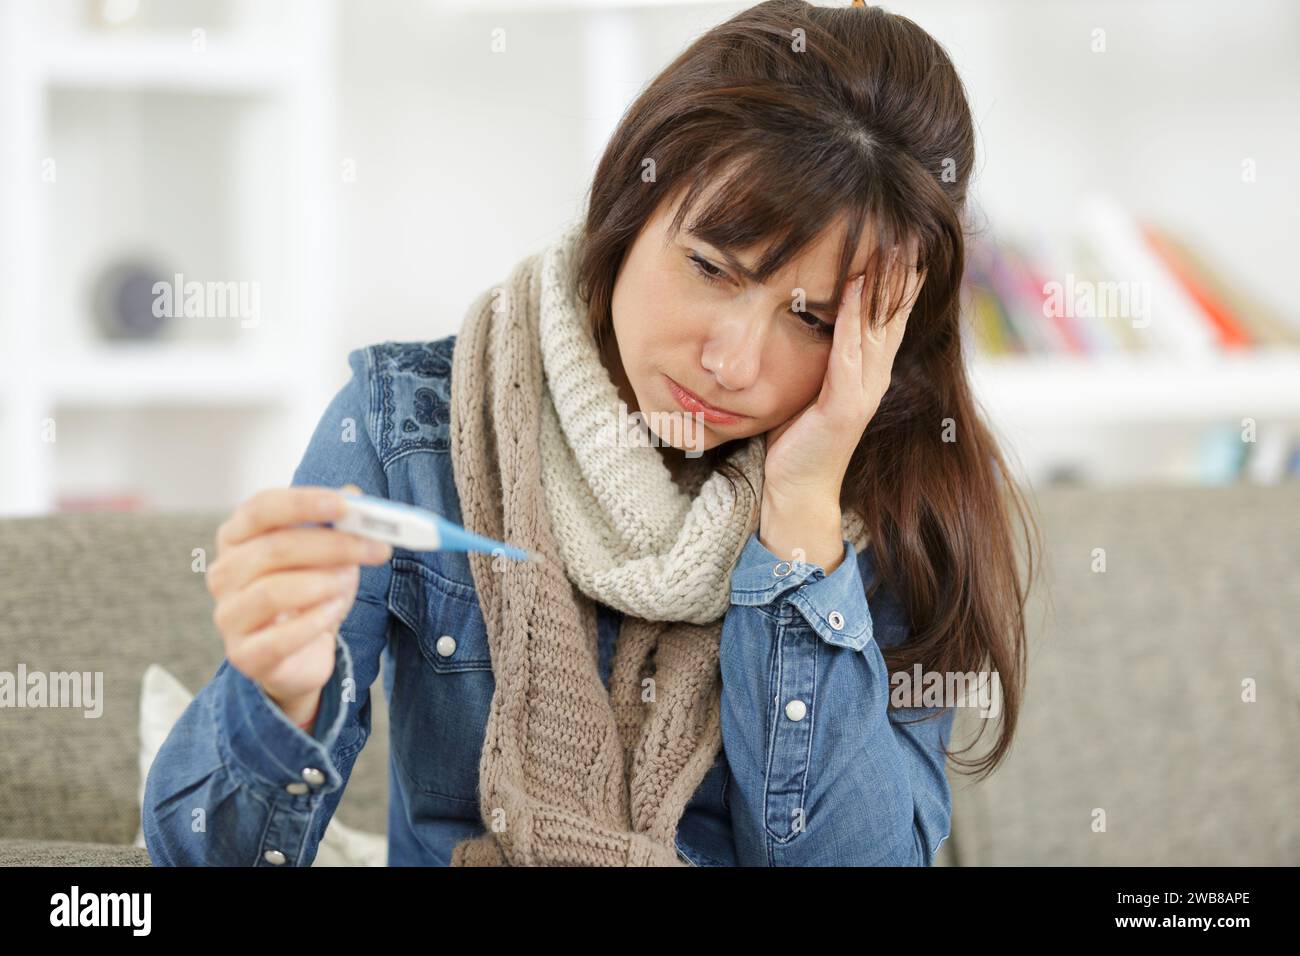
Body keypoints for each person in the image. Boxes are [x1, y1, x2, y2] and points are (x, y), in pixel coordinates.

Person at [143, 0, 1036, 867]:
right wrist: (280, 701)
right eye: (710, 269)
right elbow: (200, 857)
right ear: (631, 202)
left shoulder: (892, 496)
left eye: (810, 319)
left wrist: (801, 514)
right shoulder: (411, 427)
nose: (732, 359)